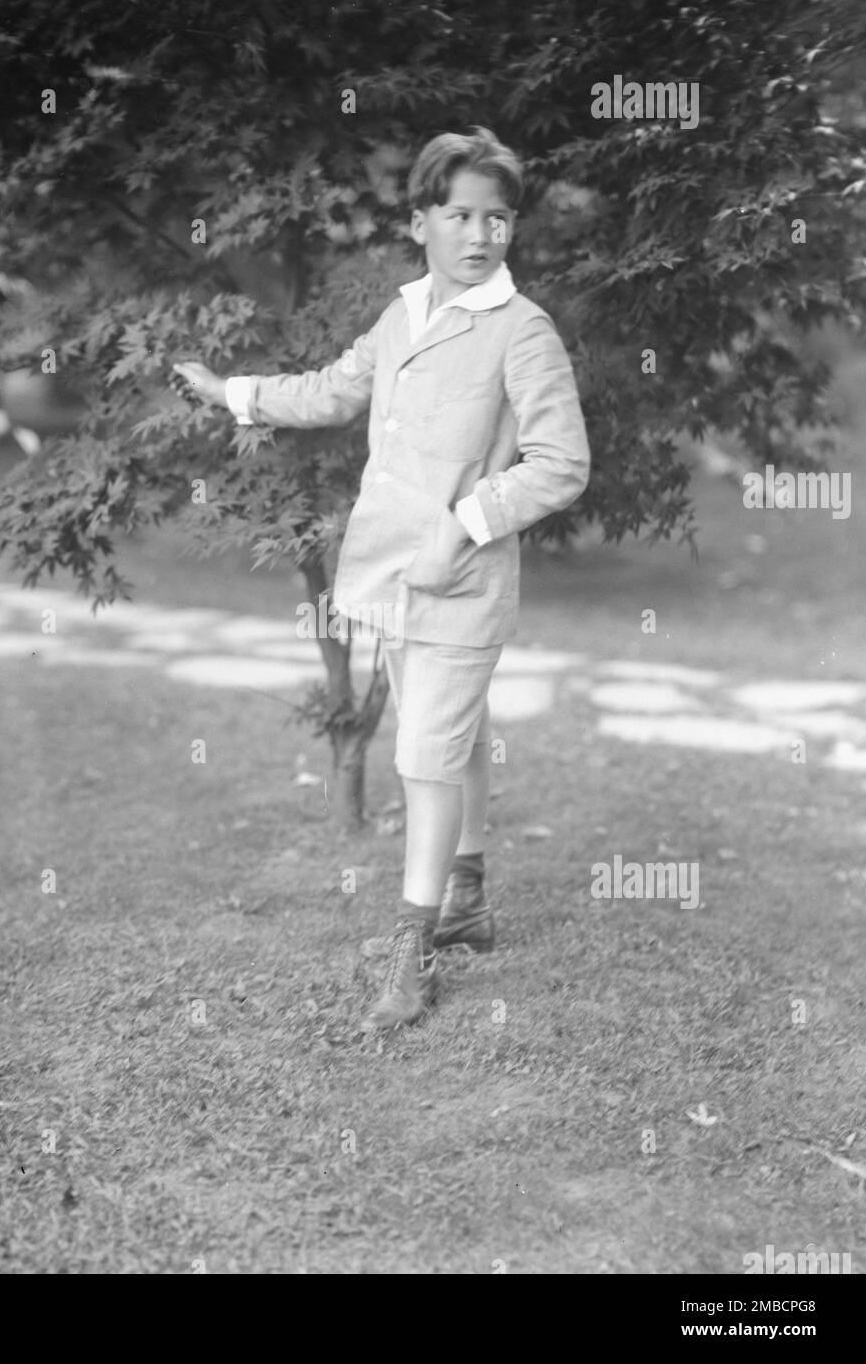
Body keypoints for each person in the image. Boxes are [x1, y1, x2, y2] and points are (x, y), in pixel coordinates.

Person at [173, 127, 590, 1031]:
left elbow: (561, 463)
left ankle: (411, 951)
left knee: (422, 759)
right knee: (448, 737)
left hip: (461, 584)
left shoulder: (523, 331)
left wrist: (465, 524)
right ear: (421, 221)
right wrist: (230, 392)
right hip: (393, 577)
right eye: (461, 215)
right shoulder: (401, 317)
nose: (481, 235)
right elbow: (331, 390)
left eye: (499, 218)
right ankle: (466, 899)